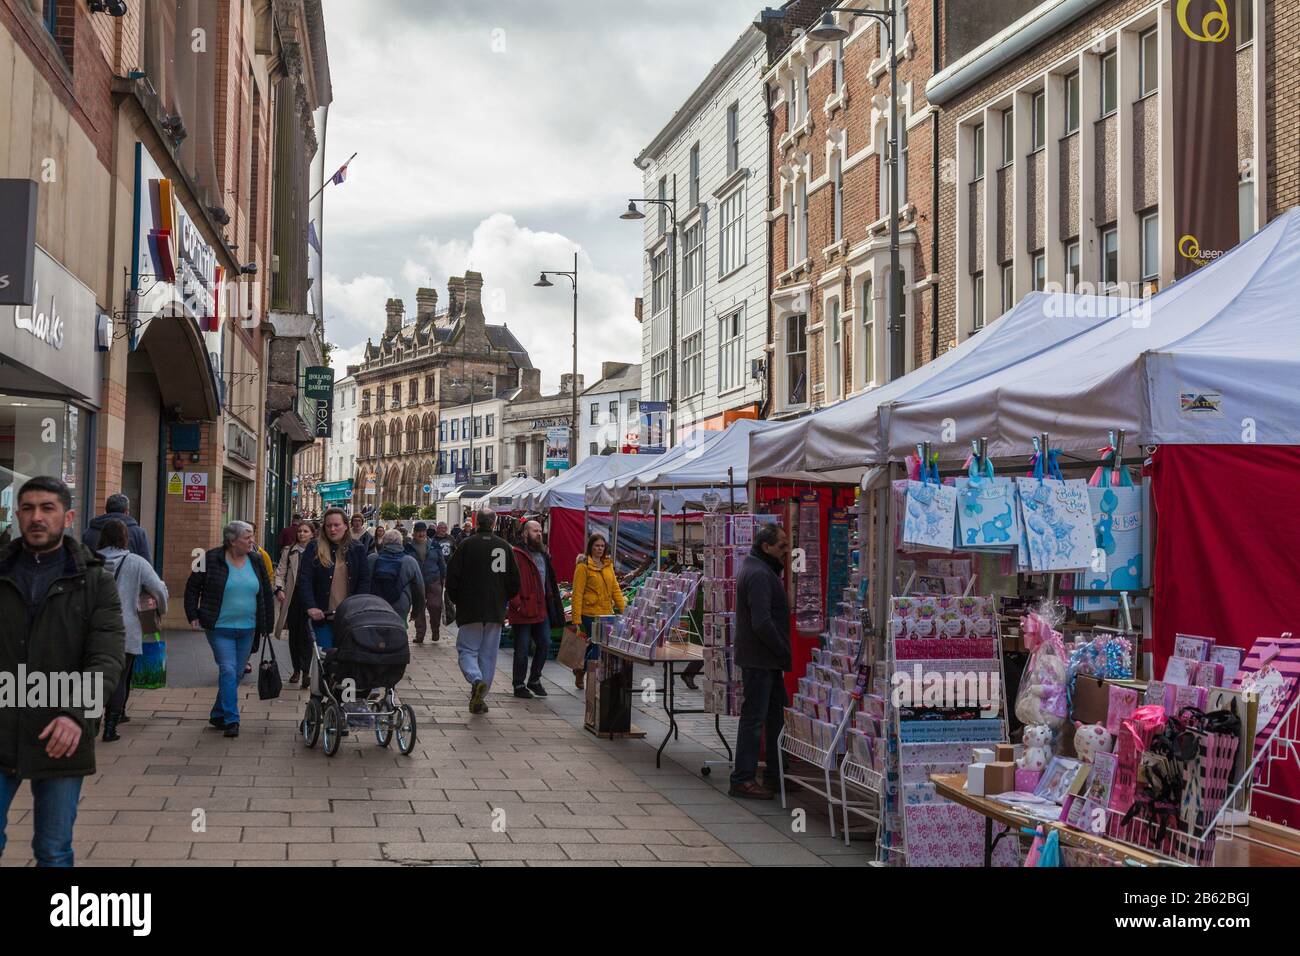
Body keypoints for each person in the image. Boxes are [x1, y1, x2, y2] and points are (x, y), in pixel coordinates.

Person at [0, 476, 124, 867]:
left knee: (53, 850)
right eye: (29, 508)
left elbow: (106, 656)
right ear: (17, 515)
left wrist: (77, 715)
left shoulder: (95, 582)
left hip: (61, 730)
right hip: (1, 726)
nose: (37, 517)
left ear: (67, 517)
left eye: (47, 508)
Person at [185, 520, 275, 738]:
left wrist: (268, 624)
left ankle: (218, 713)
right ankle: (231, 719)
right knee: (227, 669)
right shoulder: (210, 558)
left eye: (252, 536)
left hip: (248, 627)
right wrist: (193, 614)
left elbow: (265, 592)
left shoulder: (256, 560)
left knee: (235, 673)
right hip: (219, 627)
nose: (252, 541)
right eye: (248, 537)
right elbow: (192, 586)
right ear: (232, 540)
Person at [729, 523, 792, 800]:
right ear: (766, 546)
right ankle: (742, 778)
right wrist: (781, 649)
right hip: (760, 660)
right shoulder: (758, 573)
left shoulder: (759, 568)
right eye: (782, 546)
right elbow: (762, 621)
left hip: (765, 659)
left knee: (775, 715)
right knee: (755, 718)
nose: (787, 552)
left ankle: (775, 774)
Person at [94, 518, 168, 742]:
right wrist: (161, 610)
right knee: (119, 678)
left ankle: (91, 724)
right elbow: (157, 588)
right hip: (126, 628)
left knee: (94, 677)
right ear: (126, 538)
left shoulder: (90, 560)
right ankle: (110, 728)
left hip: (94, 629)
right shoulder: (136, 562)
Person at [444, 509, 519, 715]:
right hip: (495, 609)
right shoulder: (505, 546)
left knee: (467, 650)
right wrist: (502, 598)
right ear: (494, 523)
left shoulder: (466, 545)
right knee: (488, 654)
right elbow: (515, 581)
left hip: (470, 607)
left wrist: (457, 599)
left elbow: (452, 577)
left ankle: (476, 679)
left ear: (477, 522)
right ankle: (481, 697)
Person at [297, 507, 371, 649]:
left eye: (336, 525)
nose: (332, 529)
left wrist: (358, 607)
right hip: (322, 616)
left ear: (345, 526)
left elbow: (364, 580)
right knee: (327, 659)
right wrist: (311, 606)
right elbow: (305, 579)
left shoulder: (357, 548)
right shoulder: (314, 547)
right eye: (328, 525)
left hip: (348, 618)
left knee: (347, 660)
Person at [507, 519, 565, 699]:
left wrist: (553, 602)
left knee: (545, 642)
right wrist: (516, 602)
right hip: (523, 607)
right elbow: (509, 579)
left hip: (541, 607)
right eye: (534, 531)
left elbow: (549, 581)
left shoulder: (543, 554)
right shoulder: (516, 553)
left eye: (540, 530)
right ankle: (518, 684)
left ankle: (534, 679)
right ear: (525, 533)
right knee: (522, 648)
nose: (539, 534)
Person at [569, 532, 625, 690]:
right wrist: (576, 620)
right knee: (598, 646)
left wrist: (623, 609)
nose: (600, 549)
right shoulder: (583, 566)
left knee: (598, 645)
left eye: (602, 546)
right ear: (590, 547)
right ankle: (591, 677)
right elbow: (577, 593)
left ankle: (582, 669)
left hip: (606, 613)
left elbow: (615, 589)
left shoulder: (608, 565)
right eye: (596, 546)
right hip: (589, 613)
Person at [274, 520, 314, 687]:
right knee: (294, 635)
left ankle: (306, 671)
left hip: (311, 598)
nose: (302, 534)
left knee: (307, 635)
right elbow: (280, 572)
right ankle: (296, 669)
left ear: (312, 534)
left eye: (305, 531)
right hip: (293, 596)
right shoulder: (290, 550)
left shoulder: (319, 550)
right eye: (300, 531)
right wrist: (279, 589)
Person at [367, 530, 425, 620]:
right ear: (400, 542)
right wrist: (416, 611)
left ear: (383, 541)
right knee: (398, 632)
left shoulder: (372, 559)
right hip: (400, 606)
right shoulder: (409, 561)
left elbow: (364, 583)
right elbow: (419, 588)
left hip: (375, 605)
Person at [405, 521, 446, 644]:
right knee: (419, 608)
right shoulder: (408, 547)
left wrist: (444, 576)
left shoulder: (434, 545)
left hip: (433, 579)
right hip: (416, 581)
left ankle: (435, 629)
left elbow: (441, 562)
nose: (421, 534)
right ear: (414, 533)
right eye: (418, 532)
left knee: (435, 606)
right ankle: (420, 634)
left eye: (423, 531)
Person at [81, 492, 150, 559]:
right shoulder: (138, 533)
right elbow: (146, 563)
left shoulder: (89, 532)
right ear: (126, 512)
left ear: (107, 510)